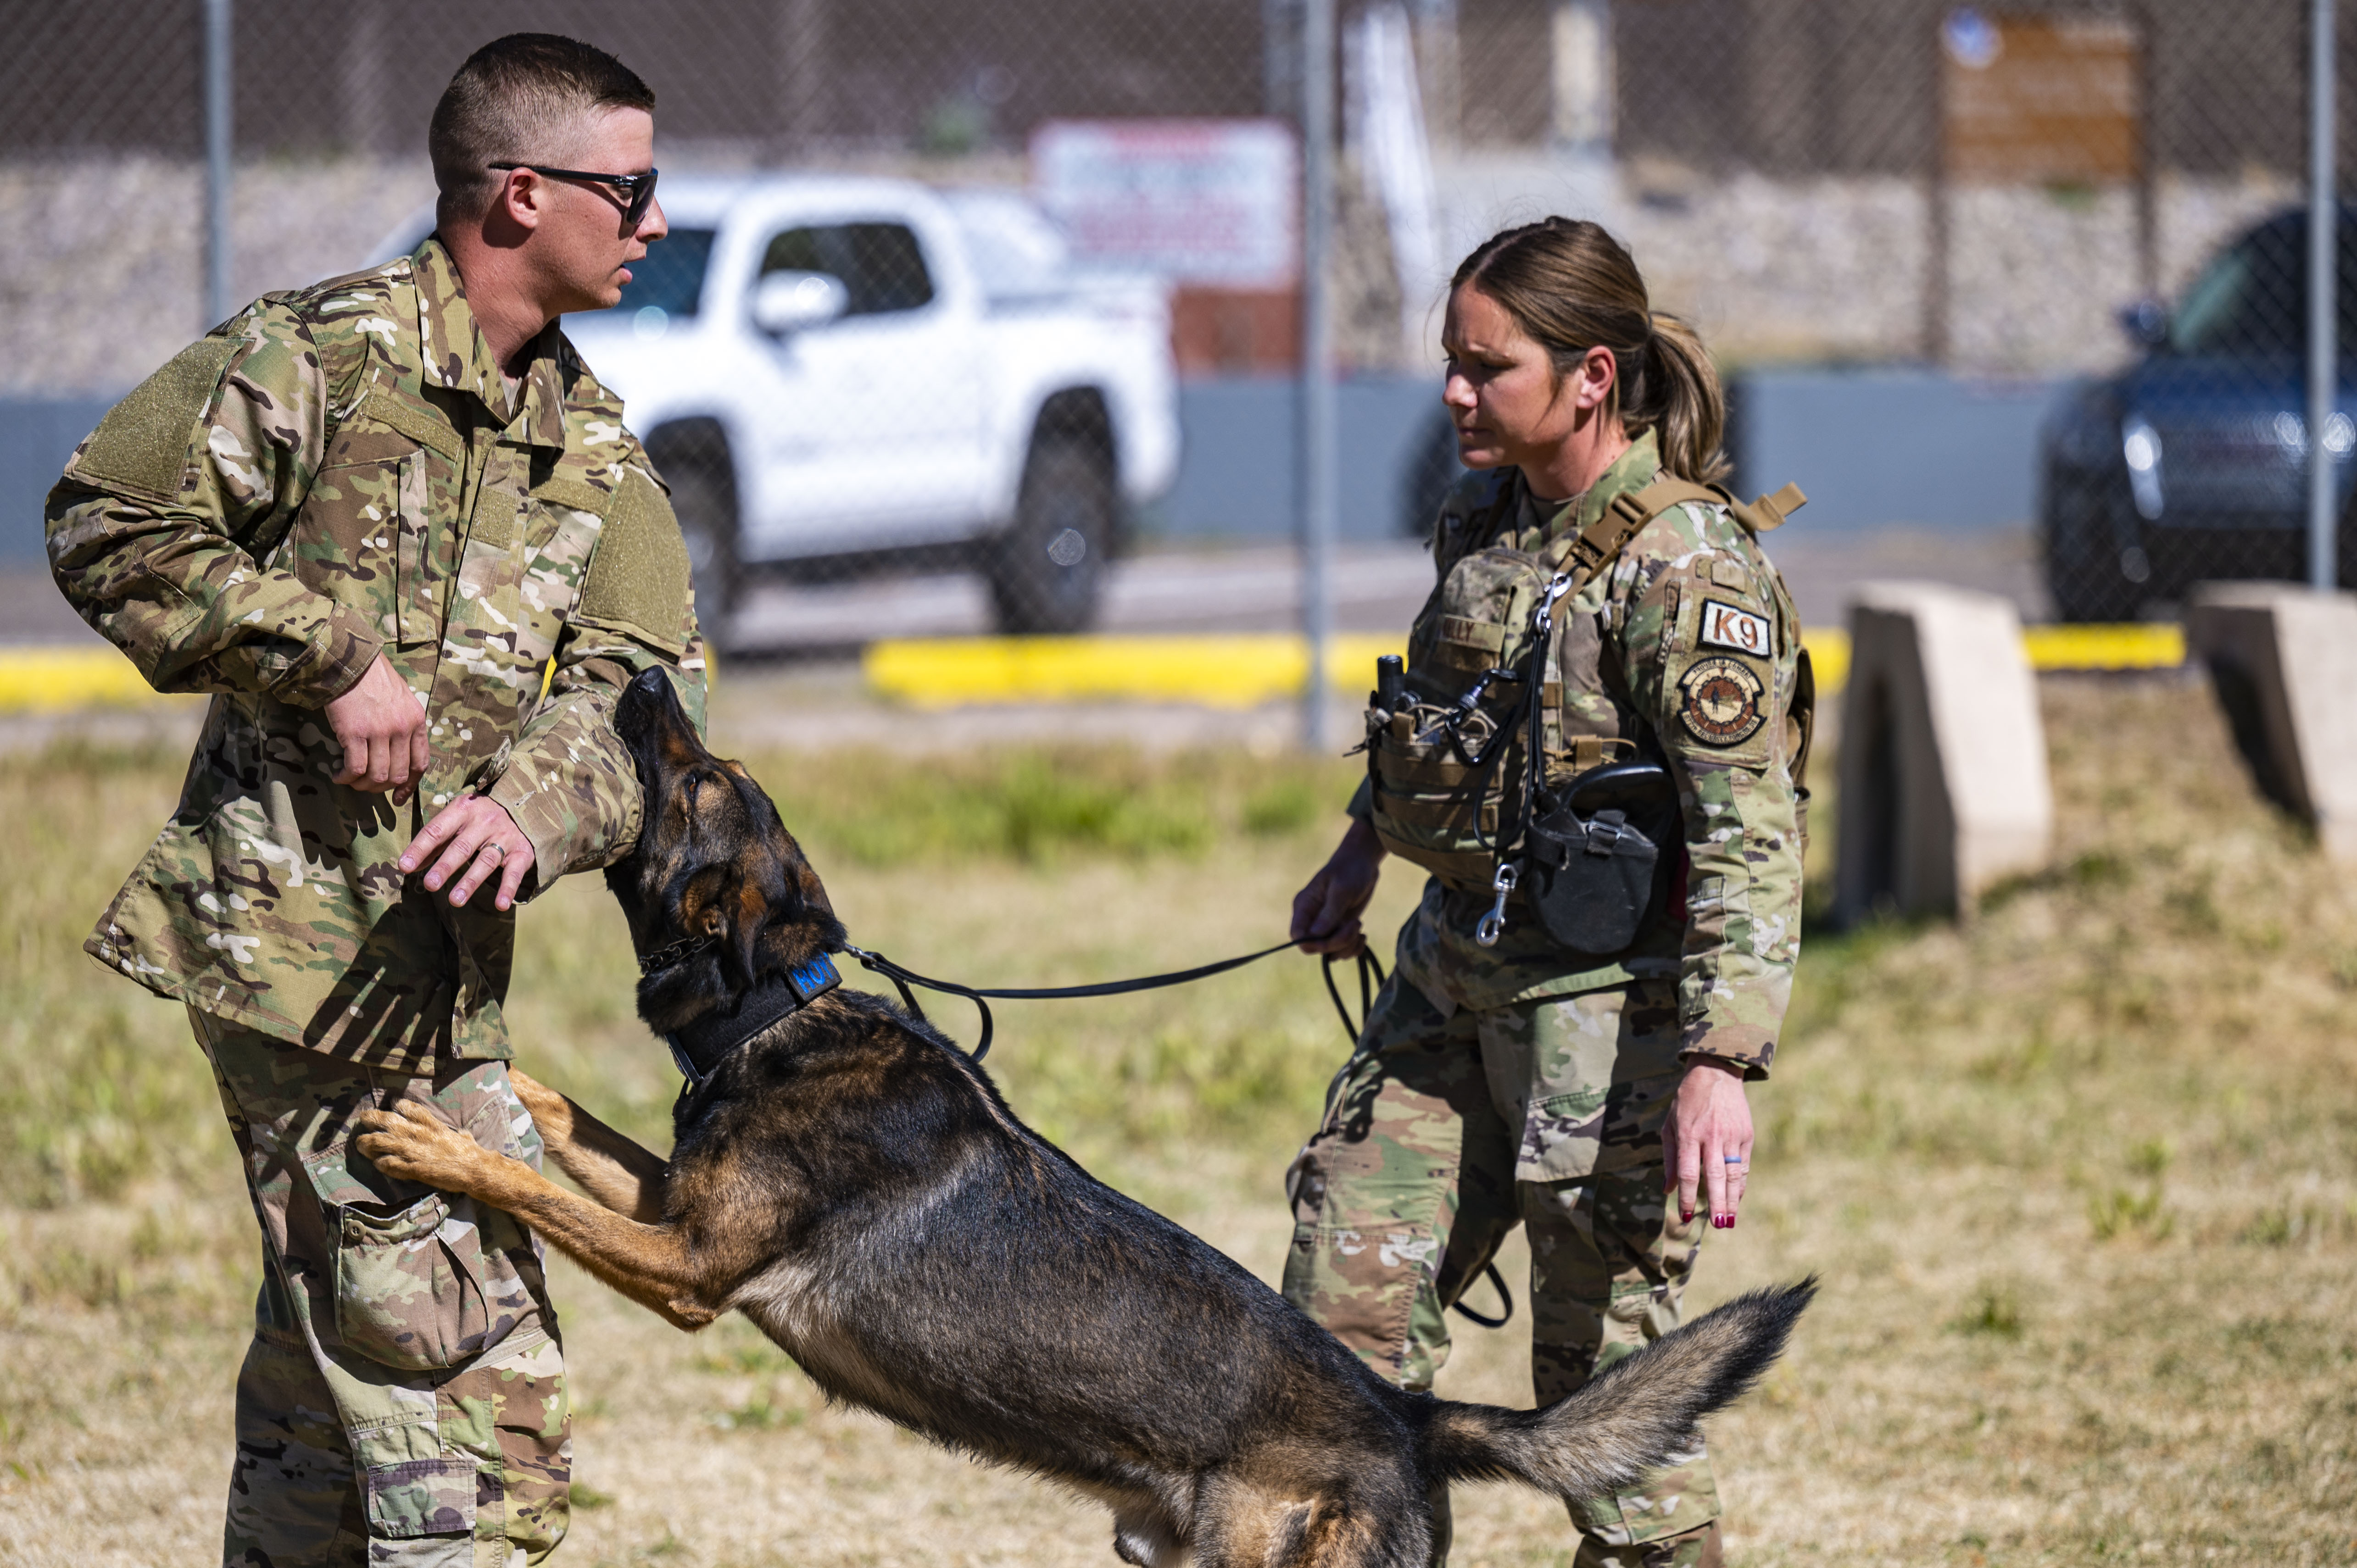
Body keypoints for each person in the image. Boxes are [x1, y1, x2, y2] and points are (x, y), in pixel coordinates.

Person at [46, 33, 702, 1566]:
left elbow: (642, 693)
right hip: (293, 954)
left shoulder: (596, 449)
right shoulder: (321, 357)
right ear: (522, 194)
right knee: (474, 1399)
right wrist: (324, 654)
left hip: (438, 987)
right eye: (636, 188)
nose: (657, 221)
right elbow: (107, 516)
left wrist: (537, 810)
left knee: (326, 1375)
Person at [1282, 217, 1811, 1568]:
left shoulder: (1686, 568)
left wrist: (1718, 1059)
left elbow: (1747, 827)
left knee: (1604, 1411)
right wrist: (1363, 848)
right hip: (1448, 987)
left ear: (1589, 375)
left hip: (1606, 1034)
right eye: (1450, 362)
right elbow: (1451, 730)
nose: (1455, 392)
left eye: (1485, 365)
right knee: (1323, 1367)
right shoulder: (1486, 514)